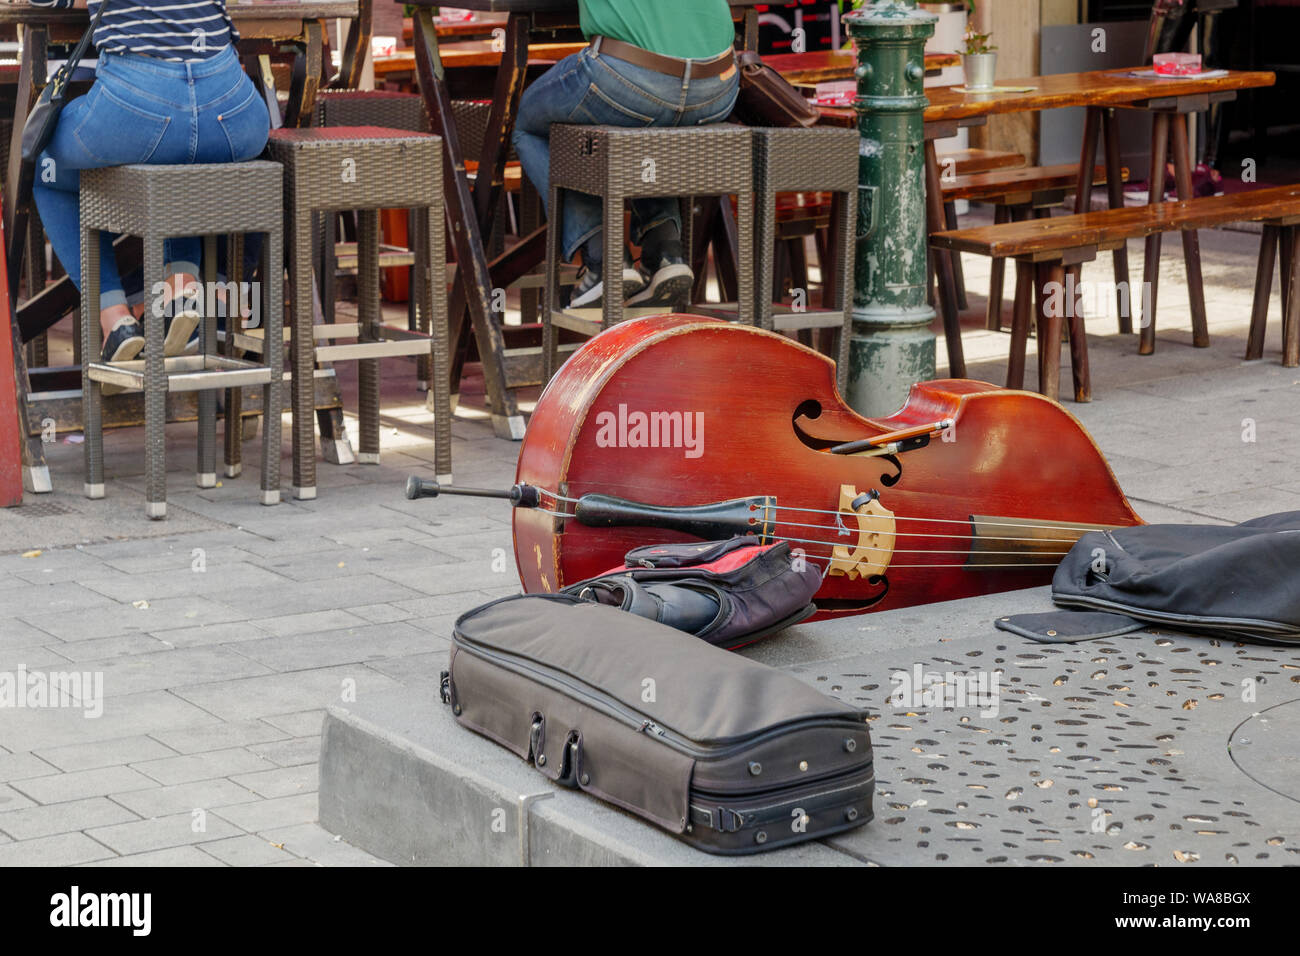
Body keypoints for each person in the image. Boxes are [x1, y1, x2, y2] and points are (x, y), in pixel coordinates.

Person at [30, 0, 270, 365]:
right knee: (181, 158)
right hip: (234, 112)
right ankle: (182, 290)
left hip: (139, 106)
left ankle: (116, 319)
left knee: (43, 163)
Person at [512, 0, 740, 309]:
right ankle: (664, 249)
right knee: (641, 122)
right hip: (718, 88)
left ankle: (603, 258)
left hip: (629, 80)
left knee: (529, 124)